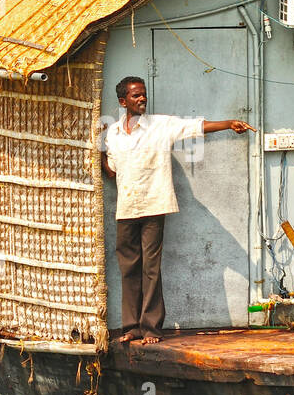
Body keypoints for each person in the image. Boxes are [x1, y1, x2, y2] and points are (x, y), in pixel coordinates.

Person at [100, 76, 252, 344]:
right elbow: (111, 171)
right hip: (126, 208)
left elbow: (195, 127)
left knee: (151, 268)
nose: (142, 98)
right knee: (128, 268)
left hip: (154, 205)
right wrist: (98, 156)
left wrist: (228, 123)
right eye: (135, 96)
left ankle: (150, 328)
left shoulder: (160, 125)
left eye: (143, 94)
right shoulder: (112, 133)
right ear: (123, 102)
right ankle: (132, 325)